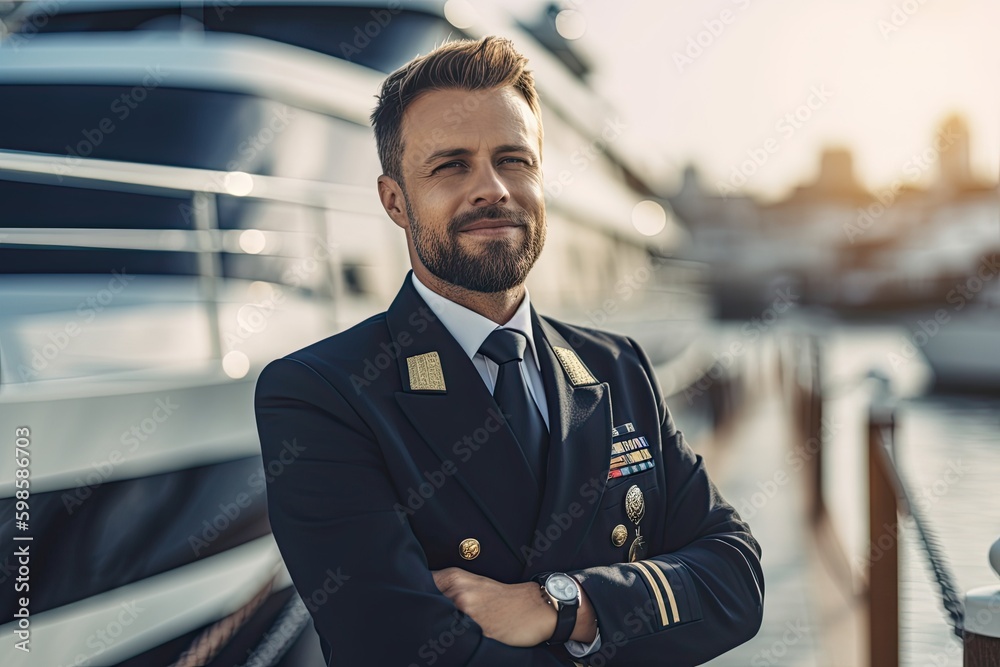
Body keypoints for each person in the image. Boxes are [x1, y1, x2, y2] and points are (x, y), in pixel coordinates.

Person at [254, 36, 763, 667]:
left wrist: (561, 604)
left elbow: (737, 578)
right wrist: (627, 624)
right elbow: (397, 648)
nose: (491, 189)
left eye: (514, 160)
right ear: (394, 201)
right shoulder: (321, 394)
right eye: (450, 166)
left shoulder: (617, 367)